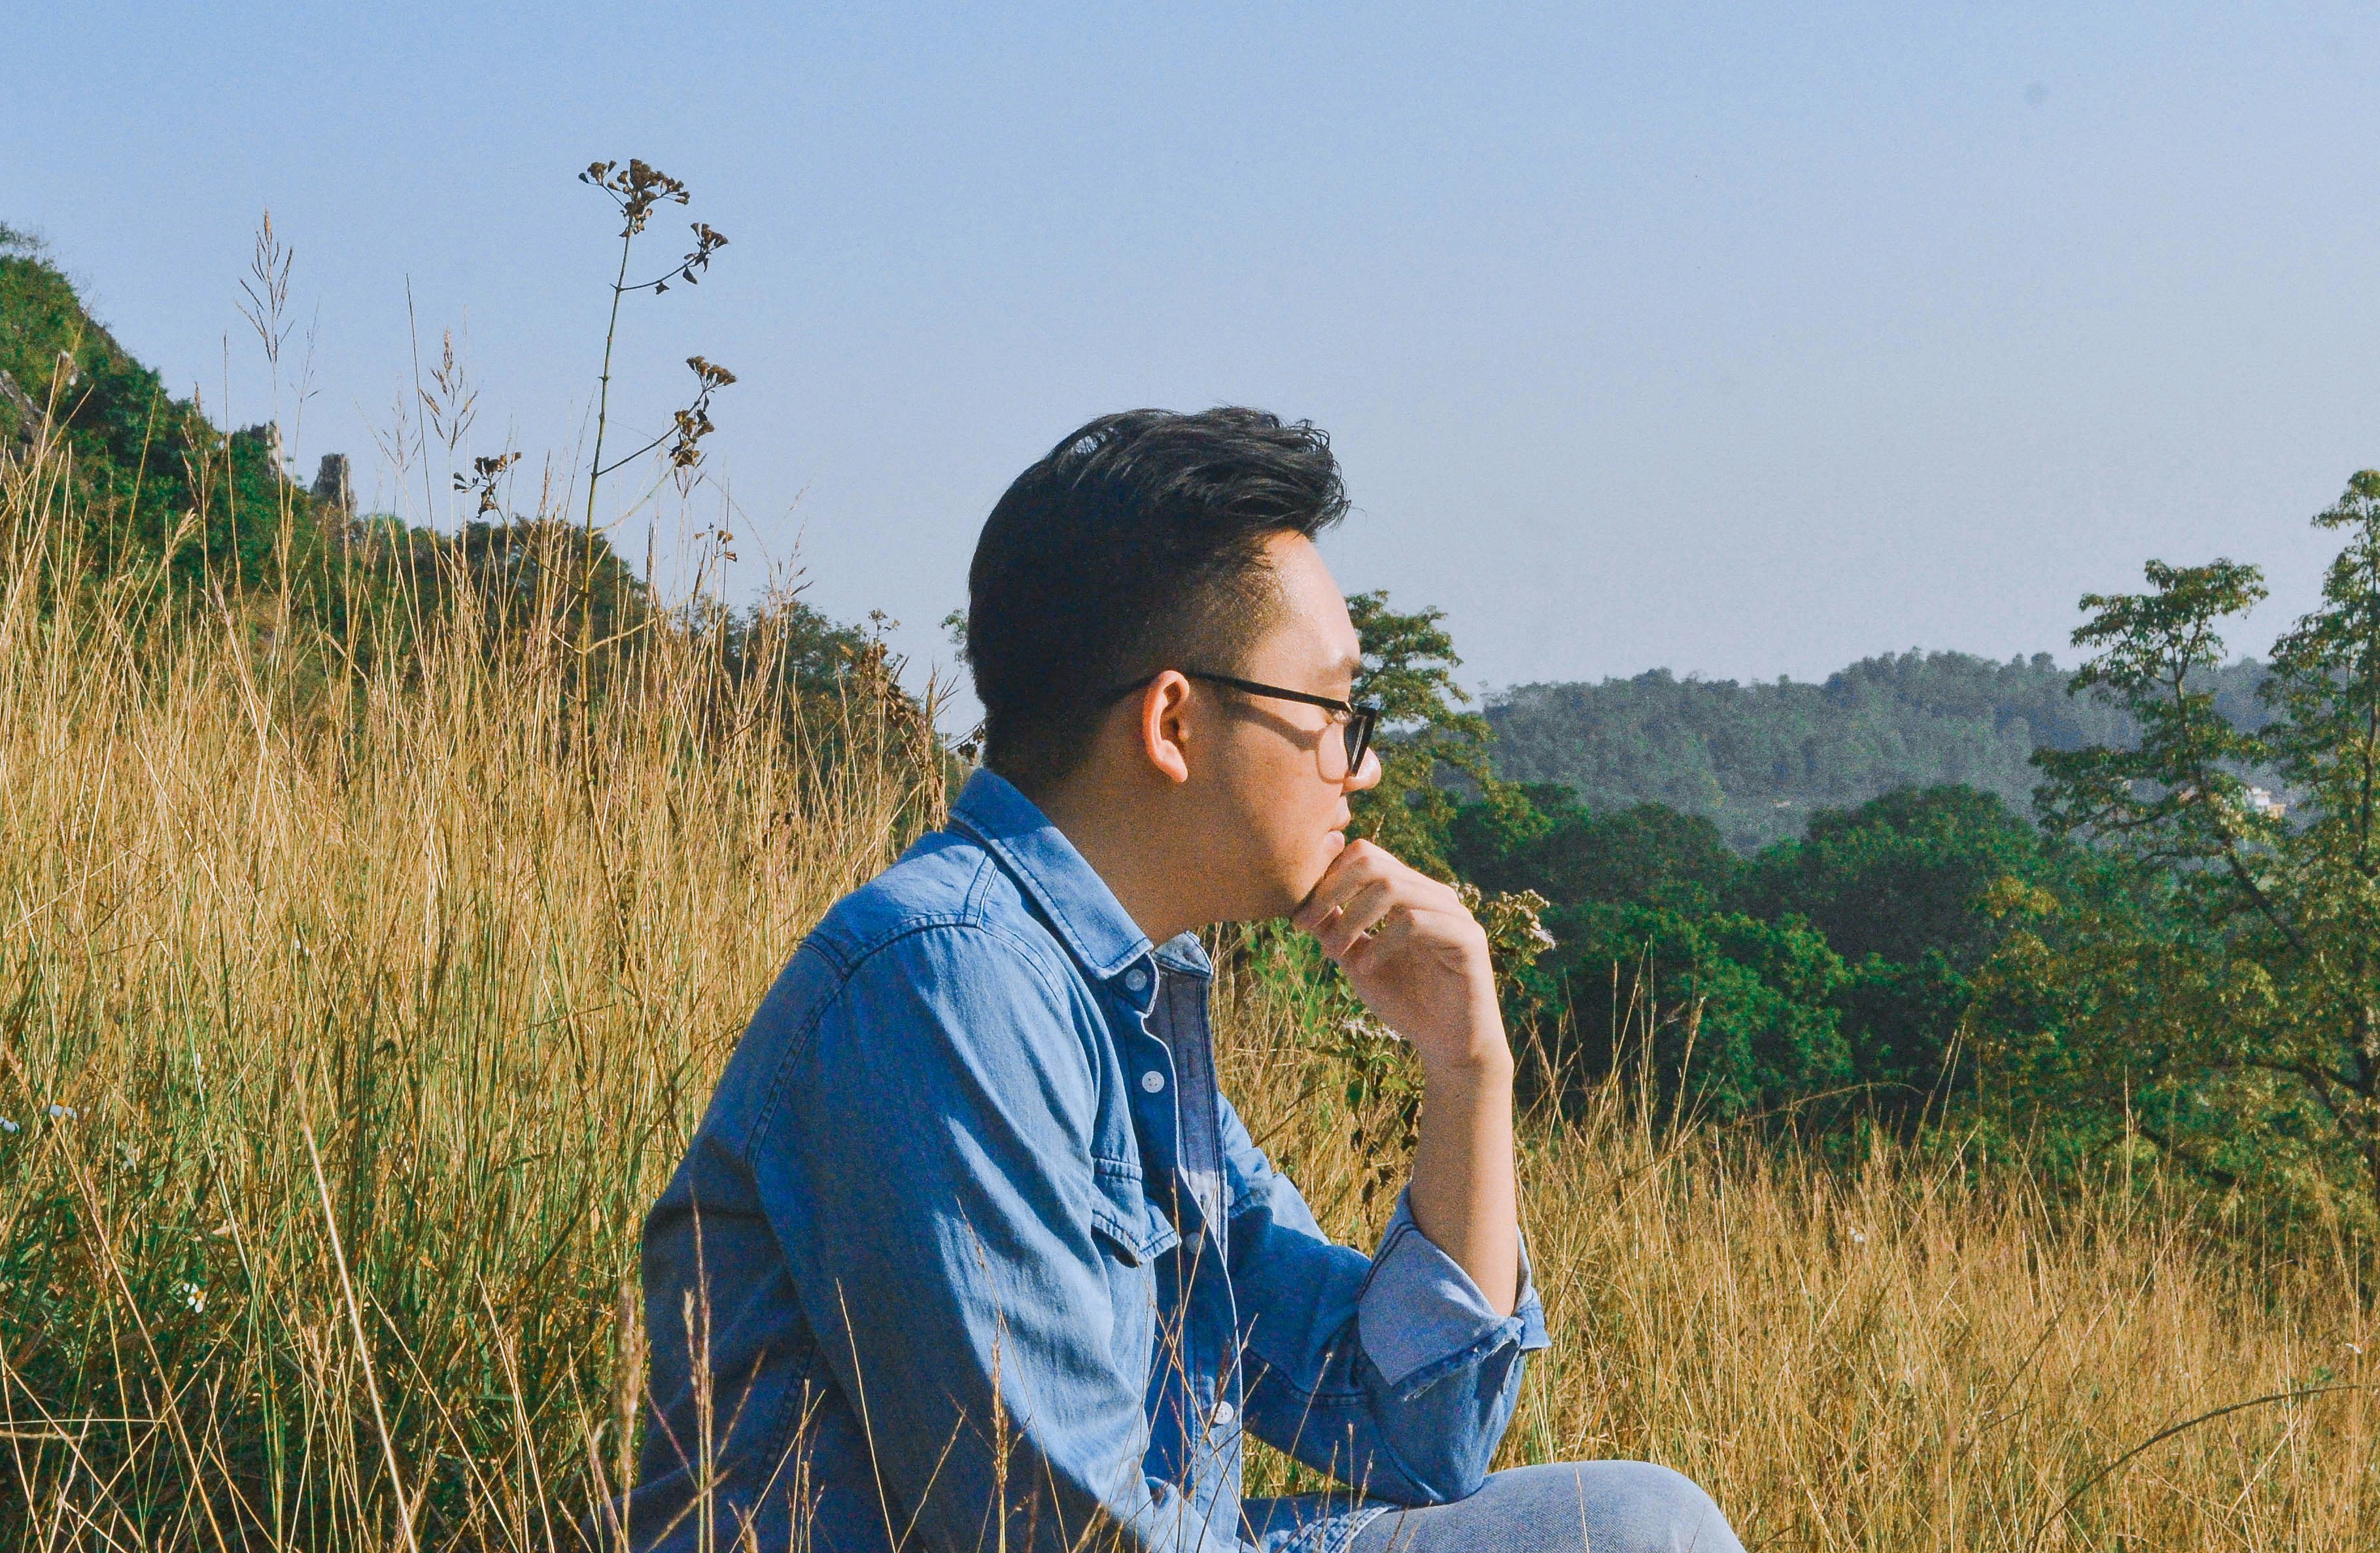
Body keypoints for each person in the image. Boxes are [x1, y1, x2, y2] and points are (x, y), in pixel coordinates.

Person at [625, 408, 1741, 1553]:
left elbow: (1414, 1430)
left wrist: (1467, 1069)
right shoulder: (945, 983)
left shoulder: (1126, 998)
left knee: (1634, 1523)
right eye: (1333, 710)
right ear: (1171, 721)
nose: (1363, 763)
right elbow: (1049, 1529)